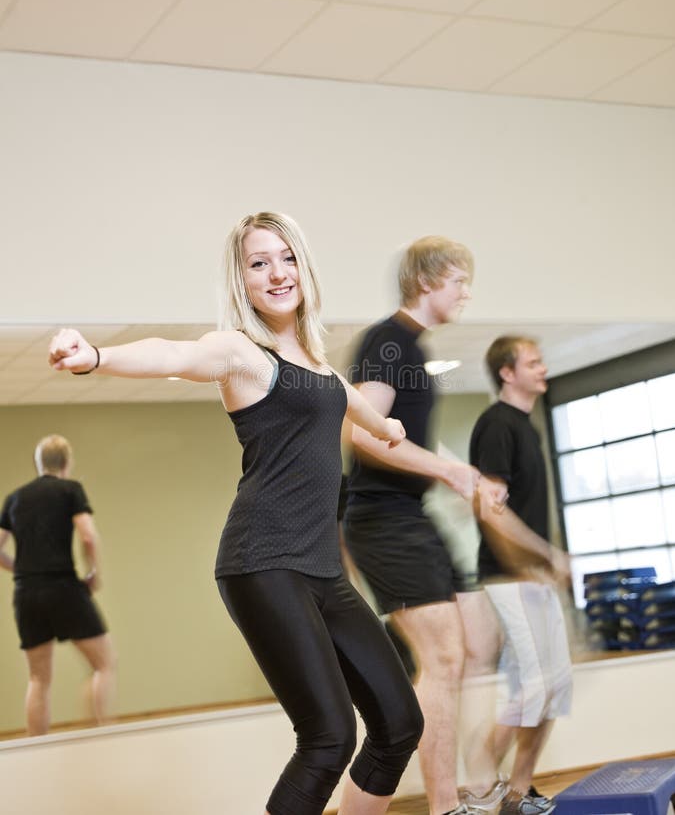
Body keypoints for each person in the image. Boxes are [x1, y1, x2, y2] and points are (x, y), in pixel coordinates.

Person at [48, 211, 424, 815]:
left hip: (323, 571)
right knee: (328, 739)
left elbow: (347, 402)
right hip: (263, 563)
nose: (277, 273)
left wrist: (386, 426)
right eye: (259, 262)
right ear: (241, 280)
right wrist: (94, 356)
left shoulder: (318, 367)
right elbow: (173, 352)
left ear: (304, 266)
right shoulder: (242, 353)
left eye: (287, 257)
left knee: (400, 722)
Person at [342, 235, 505, 815]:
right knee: (442, 658)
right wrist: (445, 470)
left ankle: (468, 791)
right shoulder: (389, 342)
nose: (466, 292)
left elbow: (400, 434)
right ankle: (444, 807)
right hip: (383, 518)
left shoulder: (410, 349)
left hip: (408, 515)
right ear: (428, 280)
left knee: (470, 646)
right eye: (459, 280)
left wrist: (460, 473)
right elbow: (362, 433)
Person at [467, 336, 572, 815]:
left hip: (536, 579)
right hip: (509, 579)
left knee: (553, 687)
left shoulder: (528, 428)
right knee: (533, 687)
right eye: (534, 361)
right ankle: (479, 784)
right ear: (508, 373)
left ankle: (518, 794)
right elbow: (492, 513)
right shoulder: (497, 426)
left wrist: (546, 564)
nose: (542, 367)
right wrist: (545, 552)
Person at [0, 434, 116, 735]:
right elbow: (88, 535)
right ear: (67, 462)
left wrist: (21, 569)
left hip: (26, 593)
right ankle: (100, 736)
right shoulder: (70, 490)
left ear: (39, 464)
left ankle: (35, 751)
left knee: (38, 678)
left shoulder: (15, 498)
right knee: (103, 665)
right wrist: (93, 572)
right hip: (62, 587)